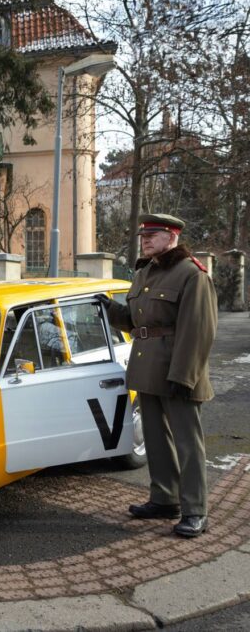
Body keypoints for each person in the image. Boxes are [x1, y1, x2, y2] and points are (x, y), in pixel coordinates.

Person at [98, 213, 217, 538]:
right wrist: (109, 309)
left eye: (153, 234)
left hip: (178, 371)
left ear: (172, 236)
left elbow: (199, 330)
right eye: (143, 235)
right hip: (147, 369)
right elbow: (137, 323)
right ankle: (165, 499)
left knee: (187, 444)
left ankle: (195, 510)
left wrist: (184, 376)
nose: (145, 240)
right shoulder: (145, 272)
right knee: (156, 439)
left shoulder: (191, 274)